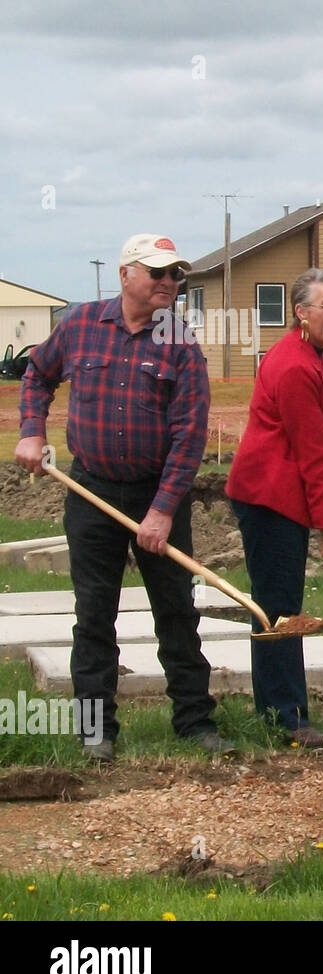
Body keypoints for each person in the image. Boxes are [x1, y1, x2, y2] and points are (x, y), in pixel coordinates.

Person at [15, 234, 231, 762]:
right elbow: (37, 376)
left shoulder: (181, 343)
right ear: (125, 274)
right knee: (94, 613)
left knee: (176, 610)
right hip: (89, 490)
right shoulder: (81, 324)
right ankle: (96, 731)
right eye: (156, 272)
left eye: (175, 275)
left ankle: (194, 722)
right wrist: (31, 431)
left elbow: (189, 436)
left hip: (158, 495)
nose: (168, 283)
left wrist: (161, 511)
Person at [225, 268, 323, 748]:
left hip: (274, 495)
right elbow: (309, 455)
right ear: (301, 311)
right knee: (279, 609)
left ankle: (276, 710)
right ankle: (287, 719)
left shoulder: (304, 353)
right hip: (271, 498)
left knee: (276, 604)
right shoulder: (296, 366)